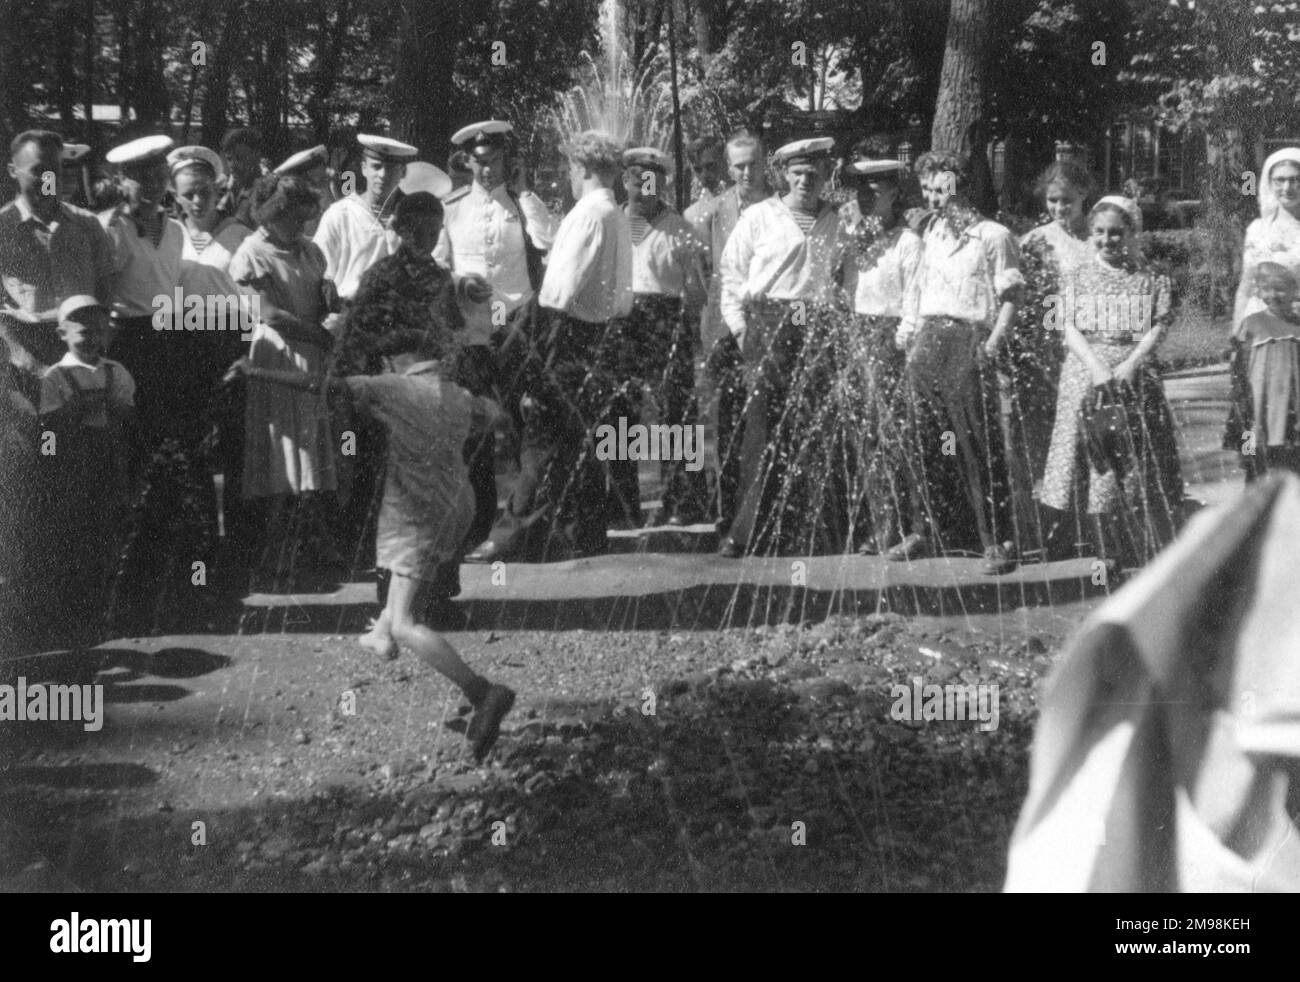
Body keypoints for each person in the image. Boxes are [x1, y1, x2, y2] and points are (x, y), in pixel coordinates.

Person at [228, 328, 516, 761]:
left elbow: (319, 385)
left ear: (392, 361)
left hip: (417, 510)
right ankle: (379, 636)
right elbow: (495, 415)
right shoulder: (456, 393)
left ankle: (482, 692)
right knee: (405, 596)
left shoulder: (389, 386)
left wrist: (257, 372)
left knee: (405, 620)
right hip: (458, 505)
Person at [472, 129, 633, 563]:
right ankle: (583, 532)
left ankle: (507, 537)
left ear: (580, 168)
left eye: (569, 167)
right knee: (582, 439)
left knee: (541, 441)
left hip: (569, 336)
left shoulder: (587, 215)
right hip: (602, 335)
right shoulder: (615, 213)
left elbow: (557, 294)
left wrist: (535, 349)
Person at [718, 136, 851, 557]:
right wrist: (741, 330)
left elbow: (844, 279)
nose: (805, 181)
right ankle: (747, 532)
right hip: (769, 323)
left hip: (815, 323)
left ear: (825, 175)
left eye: (813, 173)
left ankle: (810, 532)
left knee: (812, 426)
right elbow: (731, 274)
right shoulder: (760, 216)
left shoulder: (837, 221)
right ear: (784, 175)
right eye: (797, 173)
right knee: (761, 428)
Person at [1039, 196, 1184, 574]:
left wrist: (1133, 363)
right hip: (1087, 370)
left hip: (1133, 372)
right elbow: (1065, 326)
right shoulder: (1076, 275)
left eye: (1116, 233)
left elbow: (1159, 323)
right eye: (1099, 232)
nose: (1107, 240)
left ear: (1131, 232)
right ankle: (1098, 546)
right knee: (1094, 456)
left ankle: (1140, 540)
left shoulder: (1150, 277)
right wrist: (1096, 368)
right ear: (1090, 234)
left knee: (1135, 456)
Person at [894, 149, 1023, 575]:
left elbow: (1011, 298)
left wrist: (991, 344)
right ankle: (923, 528)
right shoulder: (930, 233)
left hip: (970, 338)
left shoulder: (993, 235)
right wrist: (911, 337)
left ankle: (997, 540)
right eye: (927, 189)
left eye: (941, 188)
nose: (932, 197)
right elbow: (917, 289)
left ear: (961, 186)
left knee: (976, 443)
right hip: (929, 338)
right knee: (923, 439)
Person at [435, 119, 556, 551]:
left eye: (495, 161)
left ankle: (525, 527)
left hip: (518, 327)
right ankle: (476, 524)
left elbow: (548, 243)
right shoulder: (451, 208)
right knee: (474, 431)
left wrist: (524, 192)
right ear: (467, 162)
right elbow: (438, 264)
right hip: (471, 333)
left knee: (529, 424)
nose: (486, 171)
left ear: (508, 160)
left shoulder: (524, 204)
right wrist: (457, 284)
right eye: (479, 162)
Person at [229, 174, 341, 587]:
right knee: (283, 455)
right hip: (278, 354)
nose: (302, 225)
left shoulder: (309, 250)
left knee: (311, 449)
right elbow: (270, 314)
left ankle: (317, 539)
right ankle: (274, 549)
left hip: (312, 354)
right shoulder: (251, 253)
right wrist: (321, 335)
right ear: (271, 215)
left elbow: (324, 296)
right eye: (292, 218)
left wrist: (331, 305)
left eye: (305, 217)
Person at [603, 146, 708, 528]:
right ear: (625, 181)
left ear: (661, 183)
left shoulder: (679, 228)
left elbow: (696, 289)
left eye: (652, 181)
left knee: (679, 410)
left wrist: (689, 328)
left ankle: (684, 500)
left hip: (665, 317)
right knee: (618, 414)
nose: (643, 188)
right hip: (620, 320)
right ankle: (620, 503)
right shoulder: (611, 222)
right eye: (635, 180)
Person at [169, 144, 256, 577]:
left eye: (204, 190)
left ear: (218, 187)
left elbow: (253, 303)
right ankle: (201, 548)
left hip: (230, 343)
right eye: (188, 194)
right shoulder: (168, 236)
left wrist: (245, 351)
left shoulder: (239, 234)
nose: (197, 201)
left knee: (236, 445)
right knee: (194, 448)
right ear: (175, 195)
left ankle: (240, 548)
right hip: (183, 345)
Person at [36, 295, 142, 640]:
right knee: (78, 535)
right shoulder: (56, 377)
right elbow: (48, 432)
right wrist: (75, 411)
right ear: (62, 334)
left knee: (112, 531)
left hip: (112, 465)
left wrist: (114, 406)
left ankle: (111, 607)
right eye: (84, 332)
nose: (94, 338)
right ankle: (77, 612)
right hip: (74, 469)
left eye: (101, 331)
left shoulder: (117, 371)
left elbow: (130, 419)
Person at [839, 157, 923, 555]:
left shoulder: (907, 241)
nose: (868, 200)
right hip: (855, 336)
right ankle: (875, 523)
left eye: (876, 192)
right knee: (863, 436)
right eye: (861, 193)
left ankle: (904, 526)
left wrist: (899, 345)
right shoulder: (850, 237)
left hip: (891, 340)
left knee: (894, 437)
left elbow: (914, 300)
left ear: (893, 193)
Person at [694, 130, 769, 538]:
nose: (745, 172)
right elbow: (707, 273)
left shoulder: (781, 207)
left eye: (752, 163)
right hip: (724, 332)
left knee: (767, 422)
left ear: (765, 162)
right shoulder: (713, 211)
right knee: (728, 427)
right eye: (738, 165)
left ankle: (766, 519)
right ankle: (729, 519)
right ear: (728, 167)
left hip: (768, 327)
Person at [1, 130, 113, 376]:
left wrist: (95, 345)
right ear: (12, 171)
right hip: (26, 348)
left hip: (83, 343)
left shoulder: (87, 225)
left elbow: (105, 286)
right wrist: (24, 359)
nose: (48, 180)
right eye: (38, 171)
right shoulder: (3, 228)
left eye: (55, 170)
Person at [1016, 160, 1097, 488]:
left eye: (1067, 200)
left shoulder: (1099, 234)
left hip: (1090, 337)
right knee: (1048, 422)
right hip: (1047, 340)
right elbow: (1021, 297)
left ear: (1083, 194)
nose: (1059, 207)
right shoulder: (1035, 240)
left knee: (1087, 420)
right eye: (1052, 201)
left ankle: (1089, 493)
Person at [1228, 147, 1300, 480]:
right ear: (1270, 184)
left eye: (1296, 180)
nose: (1288, 187)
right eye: (1281, 180)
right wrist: (1235, 337)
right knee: (1254, 410)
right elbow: (1245, 286)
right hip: (1259, 335)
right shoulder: (1257, 229)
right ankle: (1255, 482)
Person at [313, 134, 415, 301]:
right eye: (376, 166)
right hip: (349, 313)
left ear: (403, 172)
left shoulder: (411, 216)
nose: (382, 174)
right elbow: (320, 273)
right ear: (364, 168)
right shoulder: (341, 214)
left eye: (391, 168)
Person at [1234, 262, 1300, 476]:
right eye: (1267, 289)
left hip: (1290, 407)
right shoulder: (1252, 323)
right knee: (1251, 458)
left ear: (1294, 291)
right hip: (1256, 406)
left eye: (1280, 289)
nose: (1273, 295)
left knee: (1291, 464)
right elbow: (1239, 373)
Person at [217, 127, 265, 228]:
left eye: (239, 158)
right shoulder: (231, 188)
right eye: (229, 159)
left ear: (257, 155)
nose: (232, 165)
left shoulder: (266, 191)